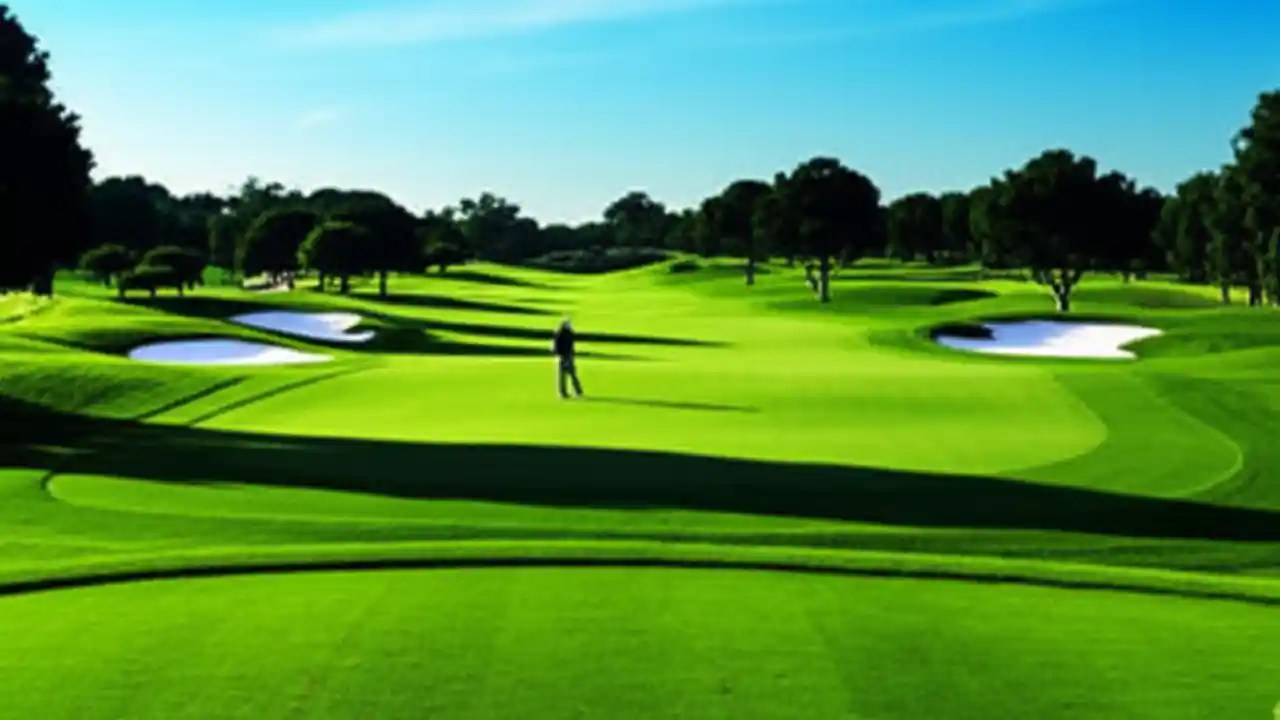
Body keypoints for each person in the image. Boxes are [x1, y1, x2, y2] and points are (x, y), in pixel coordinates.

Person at [552, 318, 584, 399]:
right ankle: (574, 392)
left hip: (567, 356)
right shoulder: (563, 334)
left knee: (567, 375)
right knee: (568, 375)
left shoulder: (564, 333)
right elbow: (557, 346)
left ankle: (571, 392)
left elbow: (557, 346)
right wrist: (559, 355)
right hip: (565, 356)